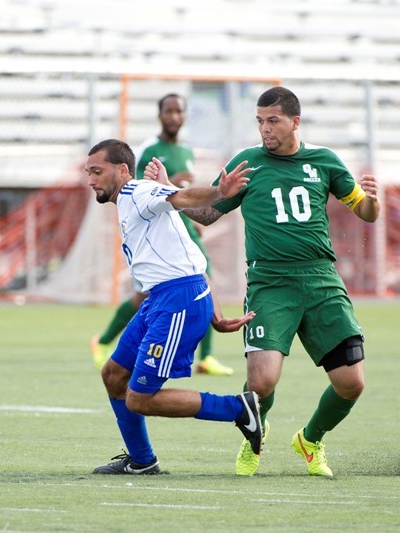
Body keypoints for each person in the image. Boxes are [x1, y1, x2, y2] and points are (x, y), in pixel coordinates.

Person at [179, 87, 380, 477]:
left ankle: (311, 439)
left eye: (272, 121)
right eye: (259, 121)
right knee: (262, 382)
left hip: (322, 281)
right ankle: (255, 435)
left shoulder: (325, 161)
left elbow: (365, 212)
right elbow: (206, 216)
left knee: (351, 383)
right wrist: (176, 197)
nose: (264, 129)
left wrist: (372, 201)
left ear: (294, 122)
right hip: (270, 283)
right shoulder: (247, 163)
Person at [84, 138, 260, 475]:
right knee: (113, 375)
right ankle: (142, 460)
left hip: (177, 302)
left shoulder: (137, 191)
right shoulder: (130, 200)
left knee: (140, 398)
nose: (91, 179)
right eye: (88, 172)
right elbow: (192, 259)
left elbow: (183, 197)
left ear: (122, 170)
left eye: (97, 171)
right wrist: (216, 312)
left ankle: (237, 408)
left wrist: (219, 192)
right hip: (162, 299)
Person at [90, 93, 234, 377]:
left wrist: (190, 225)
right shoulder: (149, 149)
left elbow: (177, 196)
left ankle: (206, 356)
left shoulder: (187, 151)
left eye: (179, 112)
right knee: (144, 294)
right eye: (169, 111)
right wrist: (176, 186)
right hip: (153, 231)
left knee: (202, 276)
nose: (174, 117)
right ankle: (104, 340)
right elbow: (142, 191)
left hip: (179, 228)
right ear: (160, 115)